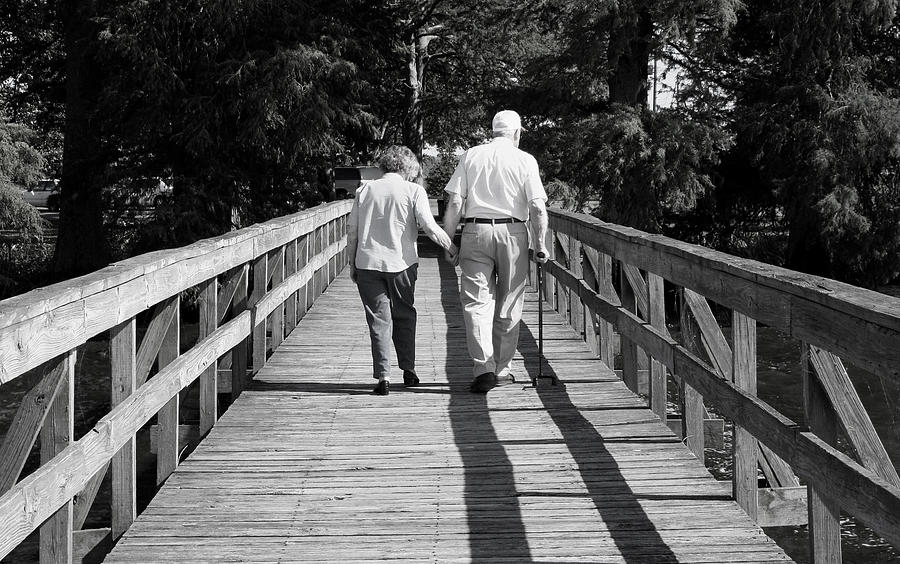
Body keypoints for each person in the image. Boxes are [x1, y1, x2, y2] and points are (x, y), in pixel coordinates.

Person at [442, 110, 549, 393]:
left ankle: (483, 370)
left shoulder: (471, 156)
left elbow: (454, 202)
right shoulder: (525, 160)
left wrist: (448, 241)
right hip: (514, 233)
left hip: (475, 232)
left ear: (492, 131)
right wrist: (540, 244)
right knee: (509, 303)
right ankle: (501, 369)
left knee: (477, 303)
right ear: (517, 133)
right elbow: (537, 207)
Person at [347, 145, 458, 395]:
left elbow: (352, 231)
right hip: (403, 265)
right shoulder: (413, 190)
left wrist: (352, 263)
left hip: (368, 263)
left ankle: (383, 377)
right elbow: (428, 227)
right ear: (409, 168)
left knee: (378, 319)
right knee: (405, 315)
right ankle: (409, 370)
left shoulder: (364, 191)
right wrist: (450, 246)